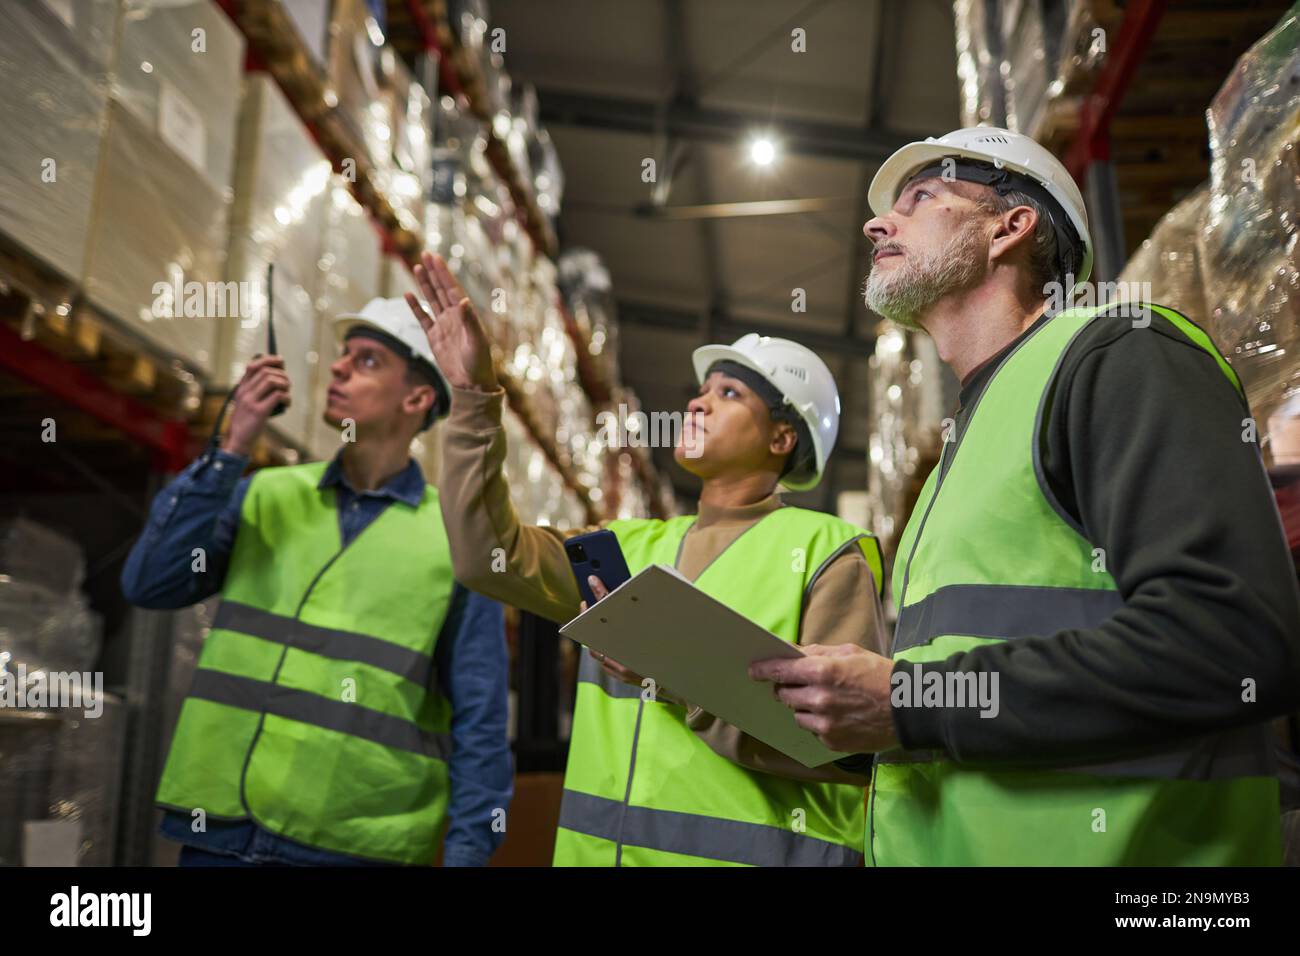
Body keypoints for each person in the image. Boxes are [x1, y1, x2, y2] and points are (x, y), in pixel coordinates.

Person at [750, 126, 1300, 866]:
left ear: (1012, 226)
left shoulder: (1119, 356)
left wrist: (910, 701)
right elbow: (944, 715)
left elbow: (1232, 641)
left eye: (920, 198)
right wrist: (825, 712)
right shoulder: (963, 450)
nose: (877, 222)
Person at [406, 252, 885, 867]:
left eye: (729, 393)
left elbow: (847, 747)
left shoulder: (825, 552)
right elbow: (485, 557)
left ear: (781, 438)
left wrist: (678, 677)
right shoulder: (627, 548)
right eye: (703, 390)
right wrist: (474, 394)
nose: (697, 403)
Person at [121, 298, 512, 867]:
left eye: (368, 360)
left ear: (418, 397)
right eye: (342, 356)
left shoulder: (457, 540)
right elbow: (149, 583)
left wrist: (468, 852)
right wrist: (231, 448)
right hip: (220, 835)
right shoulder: (265, 494)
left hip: (353, 848)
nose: (338, 368)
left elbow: (482, 718)